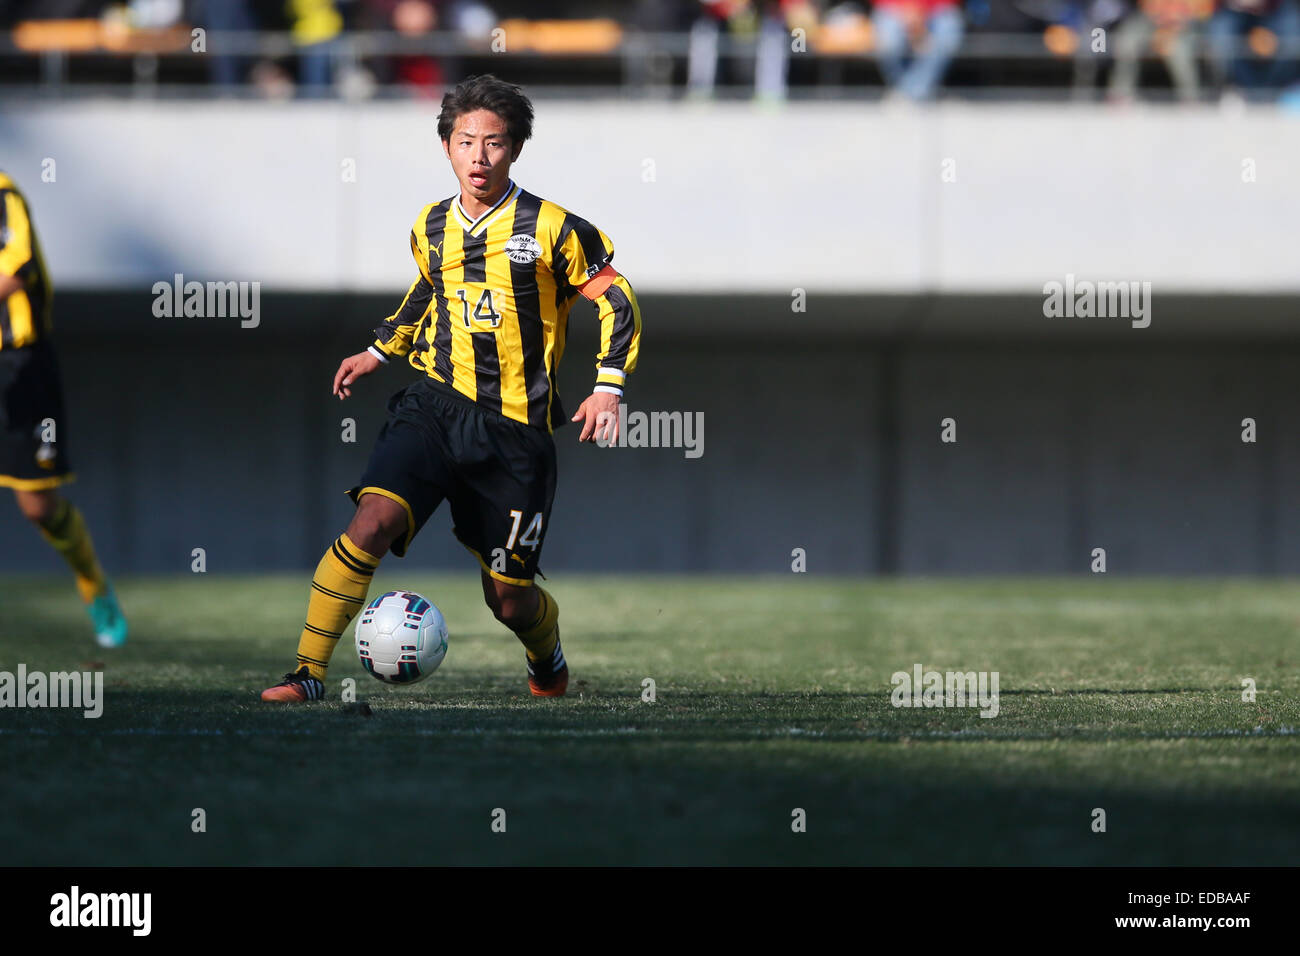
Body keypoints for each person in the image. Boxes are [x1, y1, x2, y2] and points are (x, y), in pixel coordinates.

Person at [261, 74, 642, 703]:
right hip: (435, 405)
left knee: (510, 600)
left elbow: (618, 298)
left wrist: (608, 387)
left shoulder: (555, 228)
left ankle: (545, 656)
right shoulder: (431, 224)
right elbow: (427, 291)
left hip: (517, 436)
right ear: (447, 148)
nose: (479, 157)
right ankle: (307, 674)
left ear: (515, 149)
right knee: (371, 521)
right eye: (466, 142)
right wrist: (380, 349)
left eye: (494, 143)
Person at [0, 170, 127, 648]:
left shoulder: (3, 193)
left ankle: (93, 584)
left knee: (37, 503)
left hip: (19, 364)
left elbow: (16, 270)